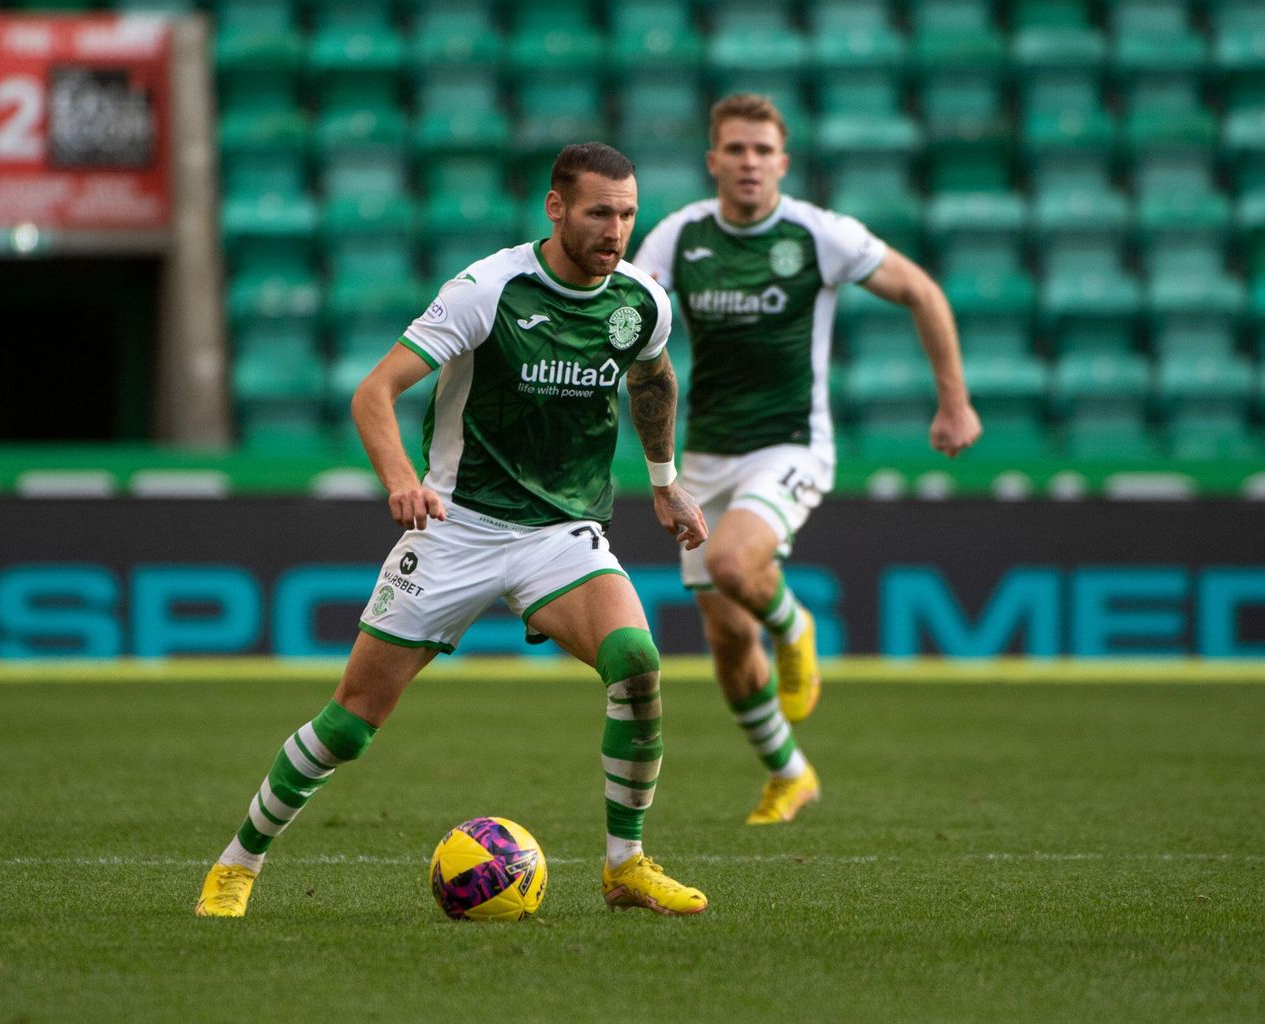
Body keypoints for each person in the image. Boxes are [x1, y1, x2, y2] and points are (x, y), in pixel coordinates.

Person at [196, 143, 711, 918]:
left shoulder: (640, 300)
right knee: (352, 721)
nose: (617, 229)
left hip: (559, 532)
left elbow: (654, 376)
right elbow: (374, 394)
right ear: (556, 207)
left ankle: (625, 866)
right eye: (601, 211)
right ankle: (237, 865)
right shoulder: (488, 289)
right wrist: (403, 482)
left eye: (629, 213)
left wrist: (665, 483)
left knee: (636, 664)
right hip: (456, 526)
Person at [633, 94, 982, 825]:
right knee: (726, 637)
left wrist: (953, 401)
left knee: (734, 565)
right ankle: (789, 773)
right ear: (714, 161)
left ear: (782, 163)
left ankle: (795, 629)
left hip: (789, 445)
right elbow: (630, 318)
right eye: (736, 149)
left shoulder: (818, 234)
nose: (749, 162)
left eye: (763, 150)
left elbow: (921, 290)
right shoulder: (679, 236)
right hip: (704, 454)